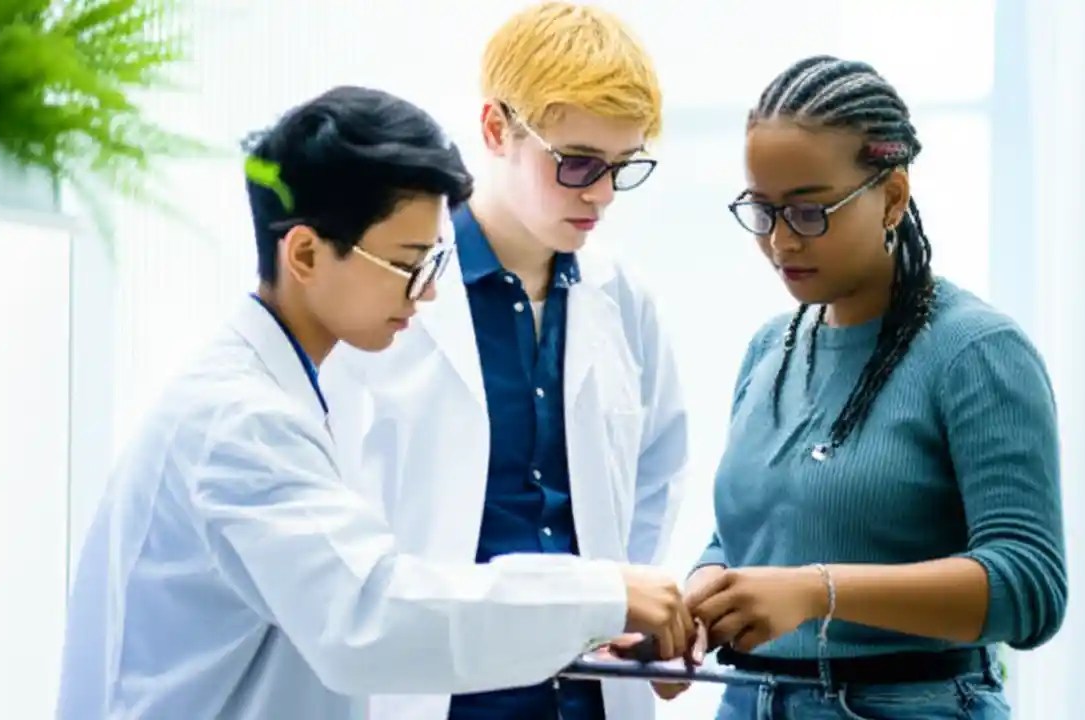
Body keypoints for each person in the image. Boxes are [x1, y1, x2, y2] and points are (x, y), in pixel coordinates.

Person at [55, 85, 695, 720]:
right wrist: (605, 592)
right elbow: (369, 617)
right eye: (407, 263)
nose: (427, 295)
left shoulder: (281, 392)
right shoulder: (241, 424)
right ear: (305, 253)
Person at [667, 56, 1068, 719]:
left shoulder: (975, 352)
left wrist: (819, 591)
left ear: (892, 196)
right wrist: (702, 601)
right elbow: (757, 532)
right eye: (762, 211)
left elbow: (1030, 587)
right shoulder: (771, 348)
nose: (779, 241)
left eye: (809, 210)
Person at [319, 4, 689, 720]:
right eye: (577, 162)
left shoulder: (625, 301)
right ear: (496, 129)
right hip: (442, 693)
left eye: (623, 167)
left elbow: (657, 476)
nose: (602, 193)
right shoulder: (387, 292)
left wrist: (626, 607)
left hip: (588, 696)